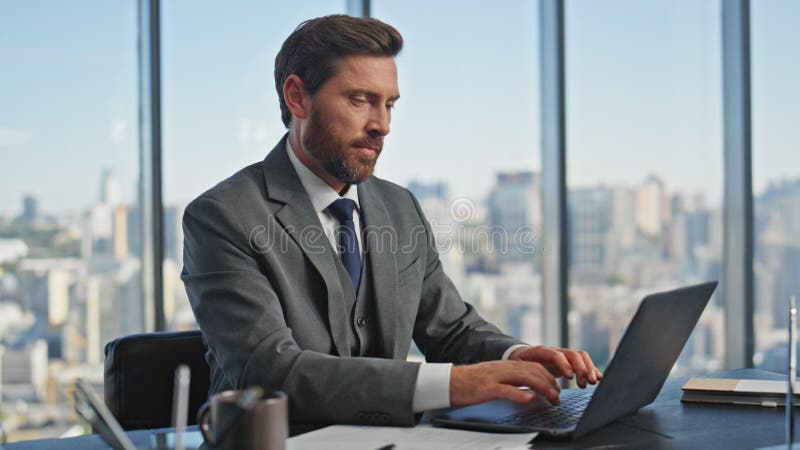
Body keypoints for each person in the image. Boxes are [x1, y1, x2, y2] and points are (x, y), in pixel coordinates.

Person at [181, 14, 602, 427]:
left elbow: (451, 329)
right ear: (298, 98)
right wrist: (453, 384)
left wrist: (514, 356)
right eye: (359, 100)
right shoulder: (222, 216)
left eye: (389, 105)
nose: (381, 125)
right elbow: (268, 372)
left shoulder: (399, 207)